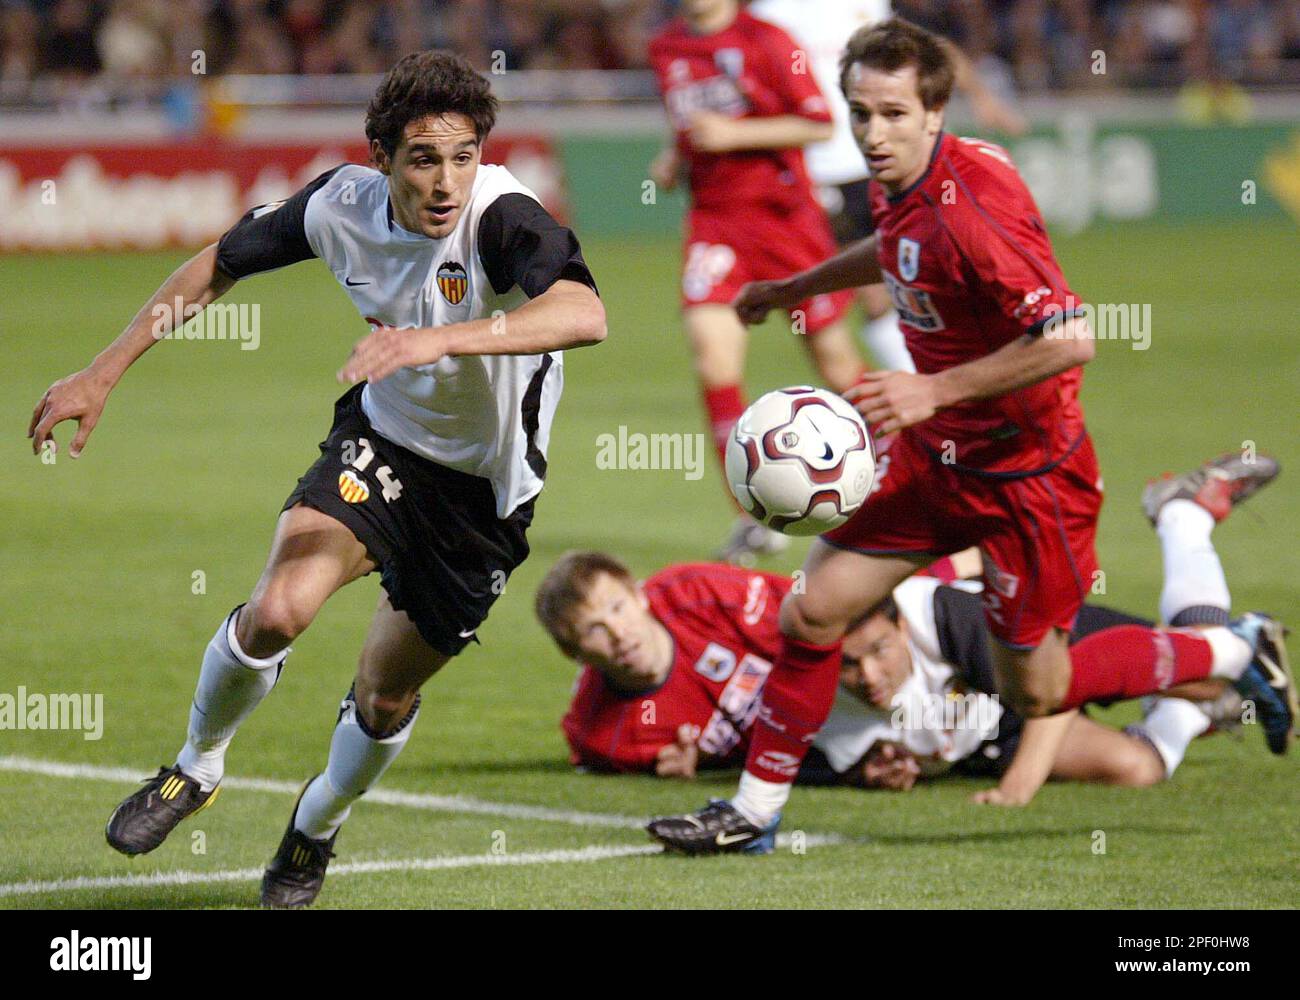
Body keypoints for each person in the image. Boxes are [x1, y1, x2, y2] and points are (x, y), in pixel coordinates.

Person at [644, 18, 1292, 854]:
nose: (872, 134)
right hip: (939, 458)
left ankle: (1230, 650)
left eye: (891, 114)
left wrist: (932, 387)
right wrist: (796, 284)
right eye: (860, 113)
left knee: (1038, 690)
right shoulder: (903, 181)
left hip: (1031, 477)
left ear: (935, 112)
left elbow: (1070, 337)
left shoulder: (978, 206)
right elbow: (898, 246)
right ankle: (753, 814)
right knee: (813, 611)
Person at [27, 51, 606, 907]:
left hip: (484, 497)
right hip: (384, 444)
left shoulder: (502, 217)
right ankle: (196, 766)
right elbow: (218, 262)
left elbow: (584, 313)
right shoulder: (340, 205)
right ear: (381, 158)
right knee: (278, 608)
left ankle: (315, 829)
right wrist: (104, 370)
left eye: (463, 156)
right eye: (423, 158)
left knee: (382, 696)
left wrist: (438, 337)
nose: (446, 180)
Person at [538, 454, 1272, 820]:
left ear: (638, 594)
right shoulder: (603, 730)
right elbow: (819, 743)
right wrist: (877, 766)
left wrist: (1017, 789)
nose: (616, 636)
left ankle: (1183, 518)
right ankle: (1203, 703)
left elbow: (828, 608)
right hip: (969, 709)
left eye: (616, 611)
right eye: (591, 634)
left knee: (1205, 674)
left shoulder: (723, 603)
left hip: (991, 613)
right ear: (575, 656)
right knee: (1142, 762)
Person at [647, 0, 866, 565]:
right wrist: (674, 158)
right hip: (715, 225)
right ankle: (752, 521)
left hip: (785, 222)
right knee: (712, 360)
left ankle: (895, 472)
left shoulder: (768, 39)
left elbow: (819, 122)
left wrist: (734, 136)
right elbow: (690, 126)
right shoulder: (665, 47)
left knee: (839, 367)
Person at [748, 0, 1027, 374]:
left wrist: (980, 94)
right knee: (875, 292)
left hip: (875, 166)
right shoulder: (772, 12)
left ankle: (928, 384)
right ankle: (919, 385)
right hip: (817, 171)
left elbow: (926, 47)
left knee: (907, 275)